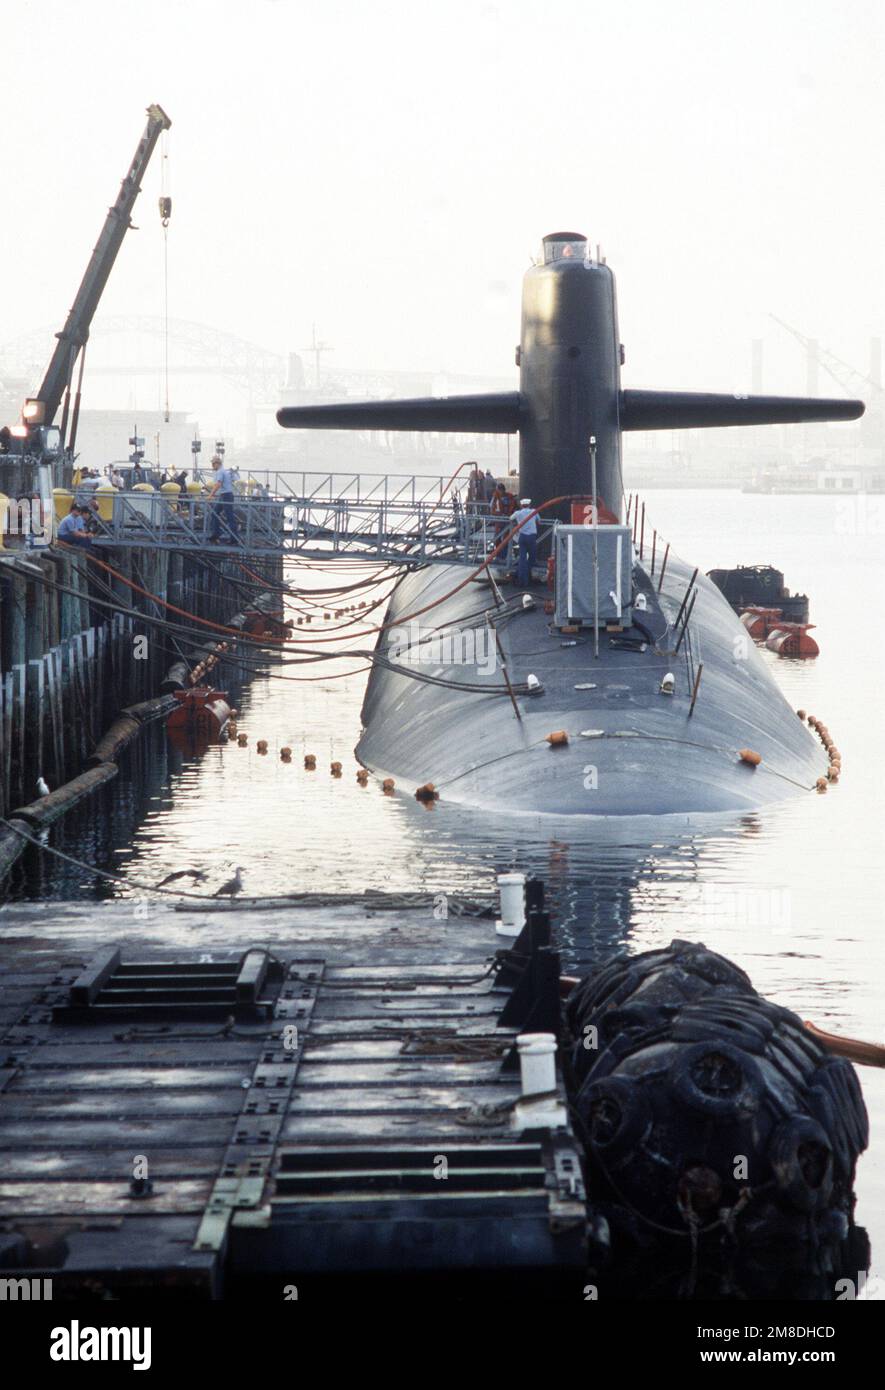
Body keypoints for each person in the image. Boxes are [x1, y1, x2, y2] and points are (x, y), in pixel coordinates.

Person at [207, 453, 239, 542]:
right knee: (215, 513)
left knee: (229, 517)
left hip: (226, 496)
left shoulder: (220, 471)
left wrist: (210, 495)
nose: (212, 465)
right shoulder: (223, 471)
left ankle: (234, 538)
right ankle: (216, 534)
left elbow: (218, 484)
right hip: (224, 495)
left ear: (218, 464)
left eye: (213, 464)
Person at [510, 498, 539, 587]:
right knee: (532, 558)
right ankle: (526, 575)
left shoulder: (518, 513)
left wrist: (517, 524)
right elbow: (539, 521)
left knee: (522, 559)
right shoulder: (534, 511)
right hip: (532, 537)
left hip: (522, 537)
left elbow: (510, 518)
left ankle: (522, 580)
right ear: (529, 505)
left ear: (521, 505)